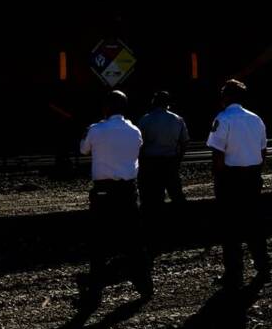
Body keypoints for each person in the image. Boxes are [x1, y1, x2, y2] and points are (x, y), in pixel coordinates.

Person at [78, 90, 153, 306]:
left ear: (106, 107)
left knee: (99, 241)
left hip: (103, 192)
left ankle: (94, 294)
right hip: (128, 191)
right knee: (134, 240)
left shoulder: (95, 129)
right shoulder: (135, 130)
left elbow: (84, 150)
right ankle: (145, 286)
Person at [206, 79, 272, 289]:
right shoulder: (256, 119)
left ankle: (234, 272)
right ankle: (262, 265)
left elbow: (217, 153)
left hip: (230, 179)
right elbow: (263, 150)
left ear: (226, 96)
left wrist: (220, 178)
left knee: (230, 227)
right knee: (254, 222)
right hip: (252, 176)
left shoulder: (222, 119)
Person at [137, 91, 189, 214]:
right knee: (176, 195)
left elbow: (138, 144)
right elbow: (185, 142)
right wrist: (178, 159)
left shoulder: (144, 120)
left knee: (151, 197)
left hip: (151, 163)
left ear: (153, 103)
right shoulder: (178, 119)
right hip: (170, 162)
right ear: (168, 104)